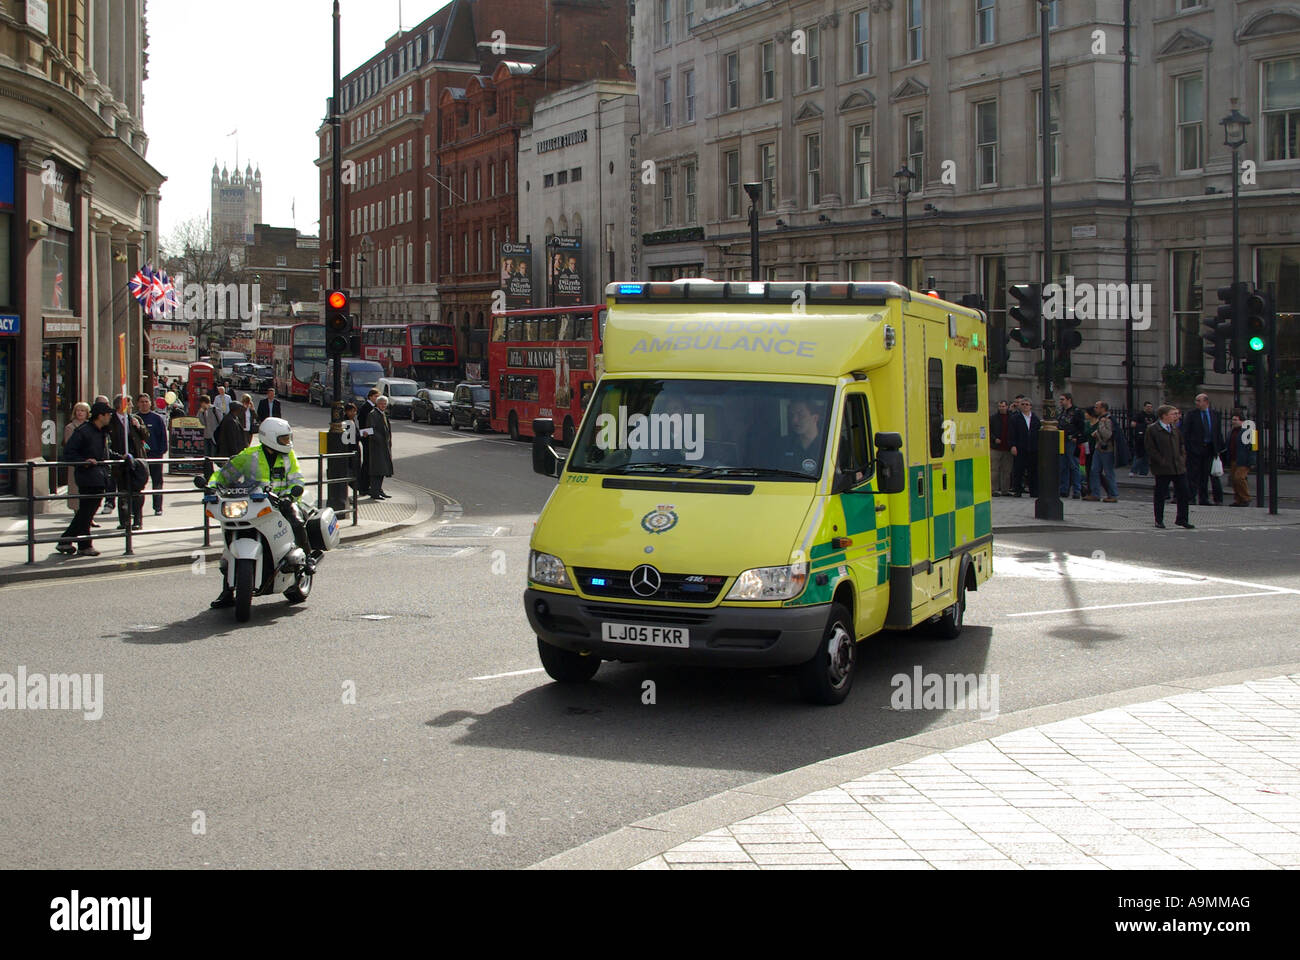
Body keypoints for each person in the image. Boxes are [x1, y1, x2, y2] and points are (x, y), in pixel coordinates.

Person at [208, 418, 316, 608]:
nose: (287, 442)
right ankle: (227, 592)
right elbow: (225, 474)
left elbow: (297, 479)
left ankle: (308, 560)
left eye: (287, 438)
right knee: (231, 540)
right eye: (283, 439)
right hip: (254, 503)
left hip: (282, 501)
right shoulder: (250, 455)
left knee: (297, 521)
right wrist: (212, 487)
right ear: (269, 437)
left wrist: (292, 494)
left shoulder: (288, 456)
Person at [57, 401, 114, 556]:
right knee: (86, 513)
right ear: (100, 416)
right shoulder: (84, 431)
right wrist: (85, 462)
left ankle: (68, 541)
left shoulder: (101, 431)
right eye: (108, 414)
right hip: (87, 476)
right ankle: (82, 544)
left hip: (99, 476)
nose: (110, 417)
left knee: (86, 513)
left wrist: (121, 456)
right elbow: (69, 453)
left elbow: (104, 453)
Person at [1146, 404, 1193, 529]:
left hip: (1178, 466)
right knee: (1161, 494)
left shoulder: (1174, 428)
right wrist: (1161, 460)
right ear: (1164, 416)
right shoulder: (1153, 429)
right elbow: (1150, 448)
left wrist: (1182, 458)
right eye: (1173, 414)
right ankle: (1159, 519)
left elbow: (1181, 444)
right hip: (1163, 467)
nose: (1175, 416)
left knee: (1184, 493)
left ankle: (1182, 519)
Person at [109, 396, 149, 531]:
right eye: (129, 403)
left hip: (136, 460)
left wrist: (139, 426)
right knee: (122, 492)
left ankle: (137, 520)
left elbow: (145, 435)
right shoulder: (111, 420)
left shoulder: (135, 419)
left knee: (137, 492)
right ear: (120, 405)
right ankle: (124, 520)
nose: (131, 406)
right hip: (120, 461)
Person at [1180, 392, 1224, 506]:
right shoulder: (1191, 414)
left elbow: (1217, 433)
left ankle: (1203, 499)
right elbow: (1186, 432)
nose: (1197, 403)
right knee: (1193, 475)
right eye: (1196, 401)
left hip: (1209, 449)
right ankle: (1191, 497)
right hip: (1195, 449)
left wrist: (1218, 449)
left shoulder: (1215, 415)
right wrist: (1187, 447)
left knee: (1205, 475)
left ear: (1206, 402)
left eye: (1199, 401)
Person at [136, 393, 169, 516]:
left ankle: (158, 507)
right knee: (139, 483)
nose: (144, 404)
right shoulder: (135, 418)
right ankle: (137, 509)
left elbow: (163, 437)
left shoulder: (157, 418)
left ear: (150, 403)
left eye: (146, 401)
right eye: (142, 402)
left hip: (155, 454)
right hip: (140, 456)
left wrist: (161, 451)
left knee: (157, 482)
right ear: (138, 403)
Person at [1087, 401, 1119, 502]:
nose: (1095, 409)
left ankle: (1113, 494)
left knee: (1108, 472)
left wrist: (1098, 431)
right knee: (1094, 470)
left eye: (1097, 407)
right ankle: (1095, 493)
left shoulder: (1107, 420)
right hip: (1099, 448)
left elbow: (1107, 435)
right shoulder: (1101, 419)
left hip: (1107, 449)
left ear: (1103, 408)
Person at [363, 395, 394, 499]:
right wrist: (381, 440)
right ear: (377, 404)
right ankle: (375, 492)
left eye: (385, 404)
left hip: (384, 446)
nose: (383, 406)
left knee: (382, 470)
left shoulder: (382, 414)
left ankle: (379, 490)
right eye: (381, 403)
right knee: (377, 470)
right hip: (377, 447)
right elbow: (371, 430)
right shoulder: (373, 414)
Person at [1009, 397, 1041, 497]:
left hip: (1033, 448)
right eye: (1023, 404)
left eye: (1027, 404)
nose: (1025, 406)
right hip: (1020, 447)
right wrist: (1013, 445)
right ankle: (1018, 490)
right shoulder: (1015, 418)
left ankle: (1034, 490)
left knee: (1033, 470)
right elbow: (1012, 433)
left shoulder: (1035, 419)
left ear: (1030, 406)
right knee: (1018, 470)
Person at [1056, 392, 1085, 499]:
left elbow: (1081, 427)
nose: (1060, 401)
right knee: (1063, 466)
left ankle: (1077, 490)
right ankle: (1064, 489)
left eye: (1062, 399)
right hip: (1061, 440)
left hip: (1071, 440)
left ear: (1069, 400)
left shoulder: (1077, 412)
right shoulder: (1062, 412)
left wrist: (1076, 437)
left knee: (1073, 465)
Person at [63, 402, 91, 511]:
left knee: (90, 488)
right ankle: (77, 511)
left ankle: (89, 514)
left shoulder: (91, 426)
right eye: (78, 410)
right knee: (76, 488)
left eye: (83, 410)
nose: (80, 413)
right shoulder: (70, 427)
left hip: (90, 462)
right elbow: (69, 445)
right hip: (77, 461)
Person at [1225, 410, 1255, 507]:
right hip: (1234, 459)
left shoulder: (1250, 431)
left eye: (1235, 420)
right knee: (1234, 480)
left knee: (1239, 478)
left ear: (1242, 421)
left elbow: (1254, 447)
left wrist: (1252, 460)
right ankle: (1238, 499)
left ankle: (1246, 498)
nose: (1233, 421)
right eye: (1232, 420)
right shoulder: (1232, 431)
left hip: (1244, 460)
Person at [989, 399, 1013, 496]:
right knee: (994, 469)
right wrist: (994, 439)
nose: (1001, 408)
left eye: (1003, 406)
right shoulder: (993, 418)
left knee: (1006, 470)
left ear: (1007, 407)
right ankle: (993, 489)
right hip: (996, 447)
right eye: (1000, 406)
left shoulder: (1012, 418)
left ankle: (1005, 490)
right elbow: (989, 431)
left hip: (1007, 447)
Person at [1130, 401, 1156, 476]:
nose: (1149, 408)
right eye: (1148, 407)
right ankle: (1133, 470)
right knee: (1139, 454)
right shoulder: (1139, 415)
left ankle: (1144, 472)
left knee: (1147, 455)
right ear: (1144, 407)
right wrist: (1144, 426)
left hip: (1150, 437)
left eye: (1150, 407)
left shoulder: (1153, 416)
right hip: (1140, 437)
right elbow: (1133, 424)